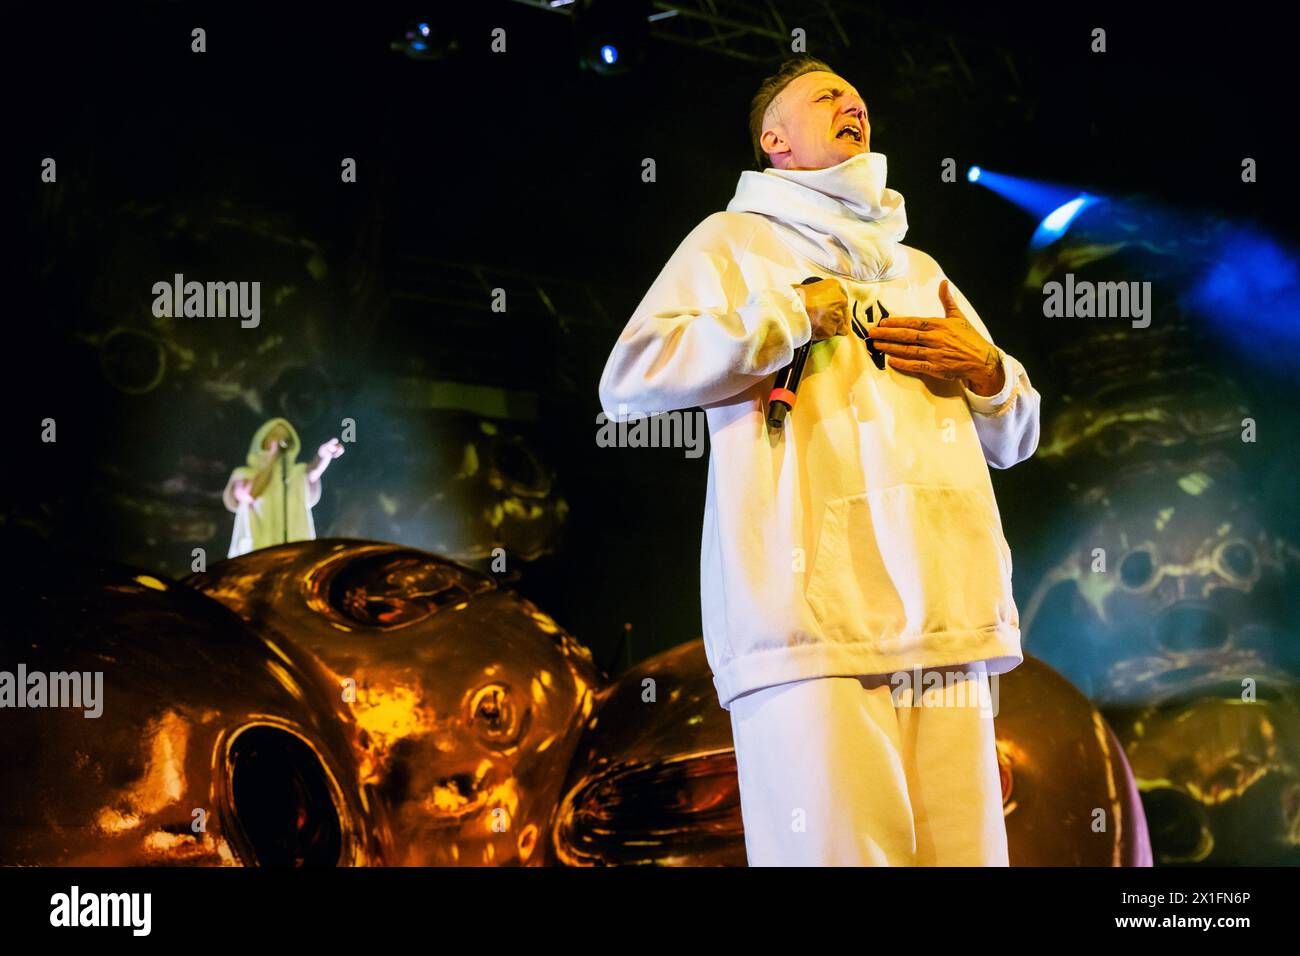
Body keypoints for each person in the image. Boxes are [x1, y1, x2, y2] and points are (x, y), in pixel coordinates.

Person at [597, 57, 1041, 865]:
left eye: (856, 94)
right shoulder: (734, 241)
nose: (852, 101)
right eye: (825, 94)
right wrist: (788, 313)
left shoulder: (918, 269)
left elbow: (1017, 438)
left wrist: (985, 372)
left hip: (943, 615)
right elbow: (629, 380)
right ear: (776, 141)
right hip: (810, 621)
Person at [222, 417, 344, 558]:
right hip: (257, 555)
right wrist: (271, 459)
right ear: (261, 441)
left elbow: (313, 472)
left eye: (285, 438)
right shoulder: (244, 473)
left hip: (295, 555)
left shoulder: (297, 473)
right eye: (274, 436)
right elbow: (249, 493)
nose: (280, 441)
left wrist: (324, 455)